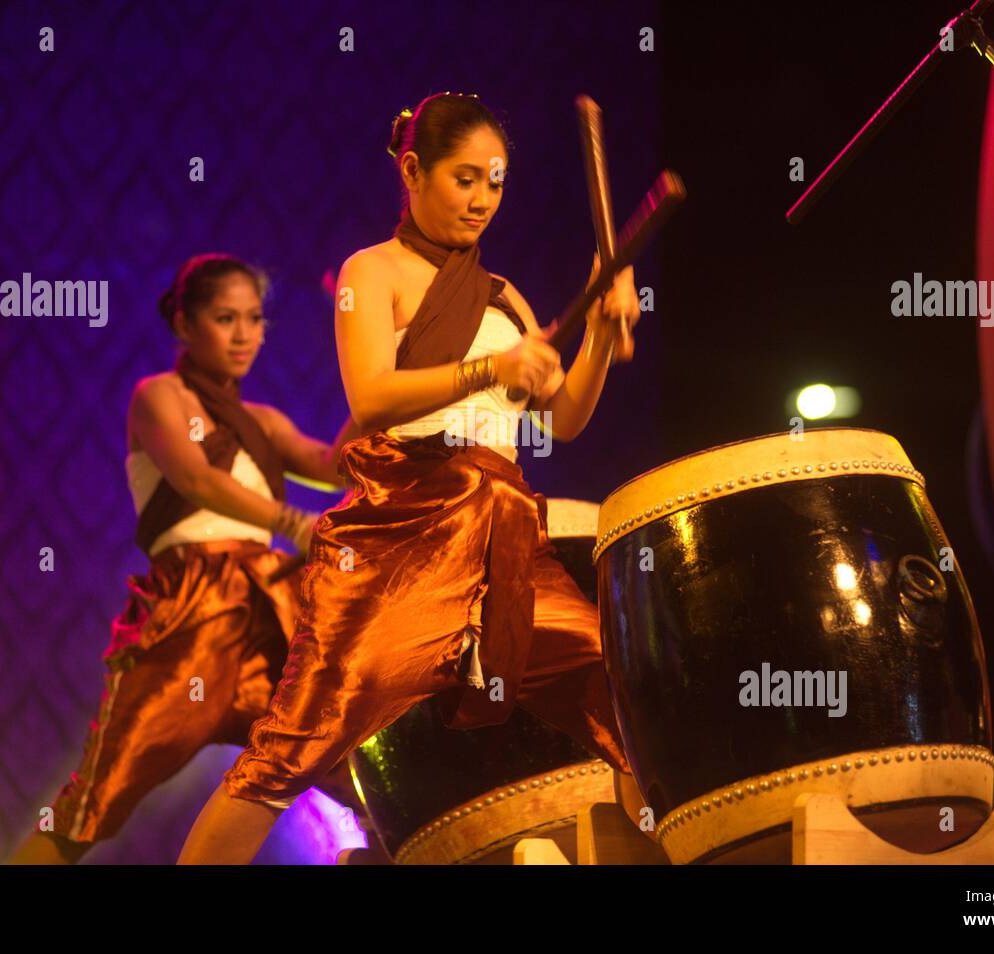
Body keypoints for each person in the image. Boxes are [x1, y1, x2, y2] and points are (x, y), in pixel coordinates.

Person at [178, 93, 646, 863]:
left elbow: (560, 420)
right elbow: (371, 396)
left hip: (505, 541)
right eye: (465, 178)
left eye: (495, 181)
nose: (482, 199)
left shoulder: (505, 297)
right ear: (412, 170)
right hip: (407, 535)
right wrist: (494, 366)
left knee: (619, 691)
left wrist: (598, 336)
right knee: (290, 747)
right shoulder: (375, 272)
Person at [10, 253, 359, 863]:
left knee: (350, 764)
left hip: (267, 614)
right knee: (93, 801)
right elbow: (196, 479)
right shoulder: (157, 398)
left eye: (254, 319)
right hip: (188, 611)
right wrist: (290, 521)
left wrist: (380, 374)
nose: (245, 334)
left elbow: (340, 465)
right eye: (226, 318)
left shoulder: (263, 422)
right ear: (184, 325)